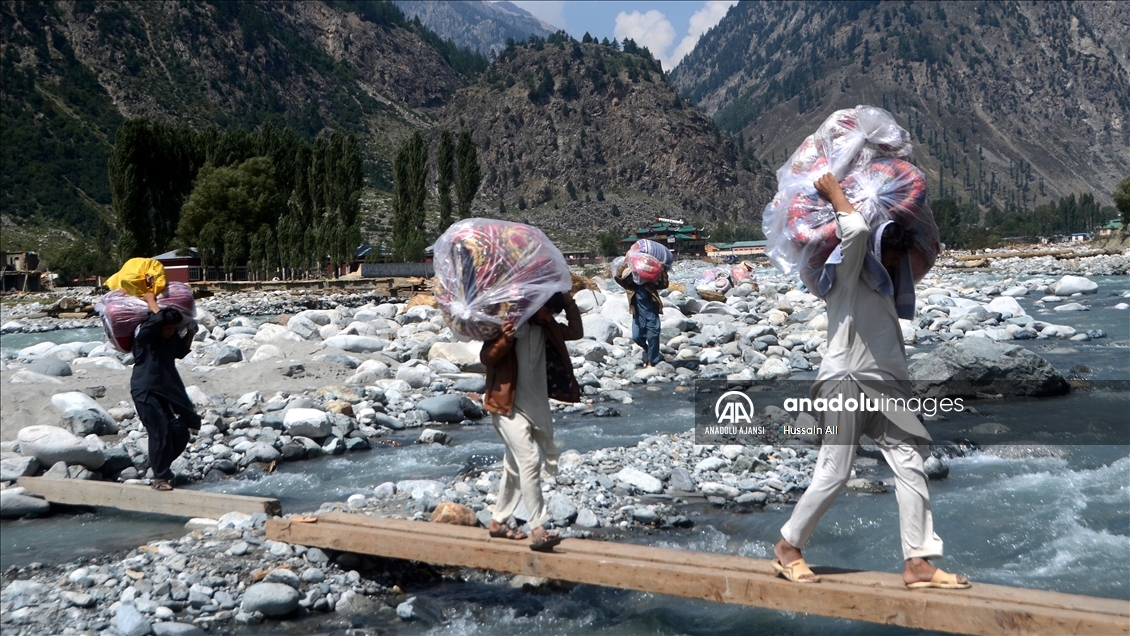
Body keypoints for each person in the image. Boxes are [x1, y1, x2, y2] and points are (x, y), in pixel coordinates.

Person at [772, 173, 971, 590]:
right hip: (845, 380)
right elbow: (858, 229)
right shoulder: (846, 276)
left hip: (886, 386)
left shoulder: (886, 290)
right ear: (875, 253)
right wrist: (834, 194)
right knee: (835, 470)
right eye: (891, 253)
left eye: (901, 255)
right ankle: (788, 547)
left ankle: (918, 561)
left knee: (910, 463)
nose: (898, 262)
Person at [480, 292, 583, 551]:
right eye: (548, 311)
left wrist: (568, 301)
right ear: (536, 305)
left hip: (535, 407)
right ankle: (538, 527)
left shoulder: (546, 326)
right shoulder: (507, 324)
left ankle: (498, 522)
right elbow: (487, 358)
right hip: (506, 406)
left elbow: (576, 331)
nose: (551, 317)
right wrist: (505, 338)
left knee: (514, 467)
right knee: (529, 460)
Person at [132, 290, 200, 491]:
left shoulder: (169, 337)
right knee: (159, 431)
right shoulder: (144, 335)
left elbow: (180, 352)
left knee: (180, 431)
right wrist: (151, 300)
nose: (170, 331)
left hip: (166, 389)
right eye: (167, 328)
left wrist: (190, 333)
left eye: (173, 328)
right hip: (145, 389)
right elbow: (156, 321)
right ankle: (159, 478)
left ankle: (160, 466)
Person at [614, 260, 668, 366]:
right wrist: (623, 265)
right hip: (638, 316)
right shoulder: (629, 287)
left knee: (653, 337)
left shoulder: (648, 284)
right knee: (636, 337)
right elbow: (617, 278)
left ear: (634, 276)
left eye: (630, 277)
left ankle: (652, 361)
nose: (628, 280)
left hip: (651, 315)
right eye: (627, 279)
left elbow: (664, 284)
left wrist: (662, 270)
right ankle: (648, 350)